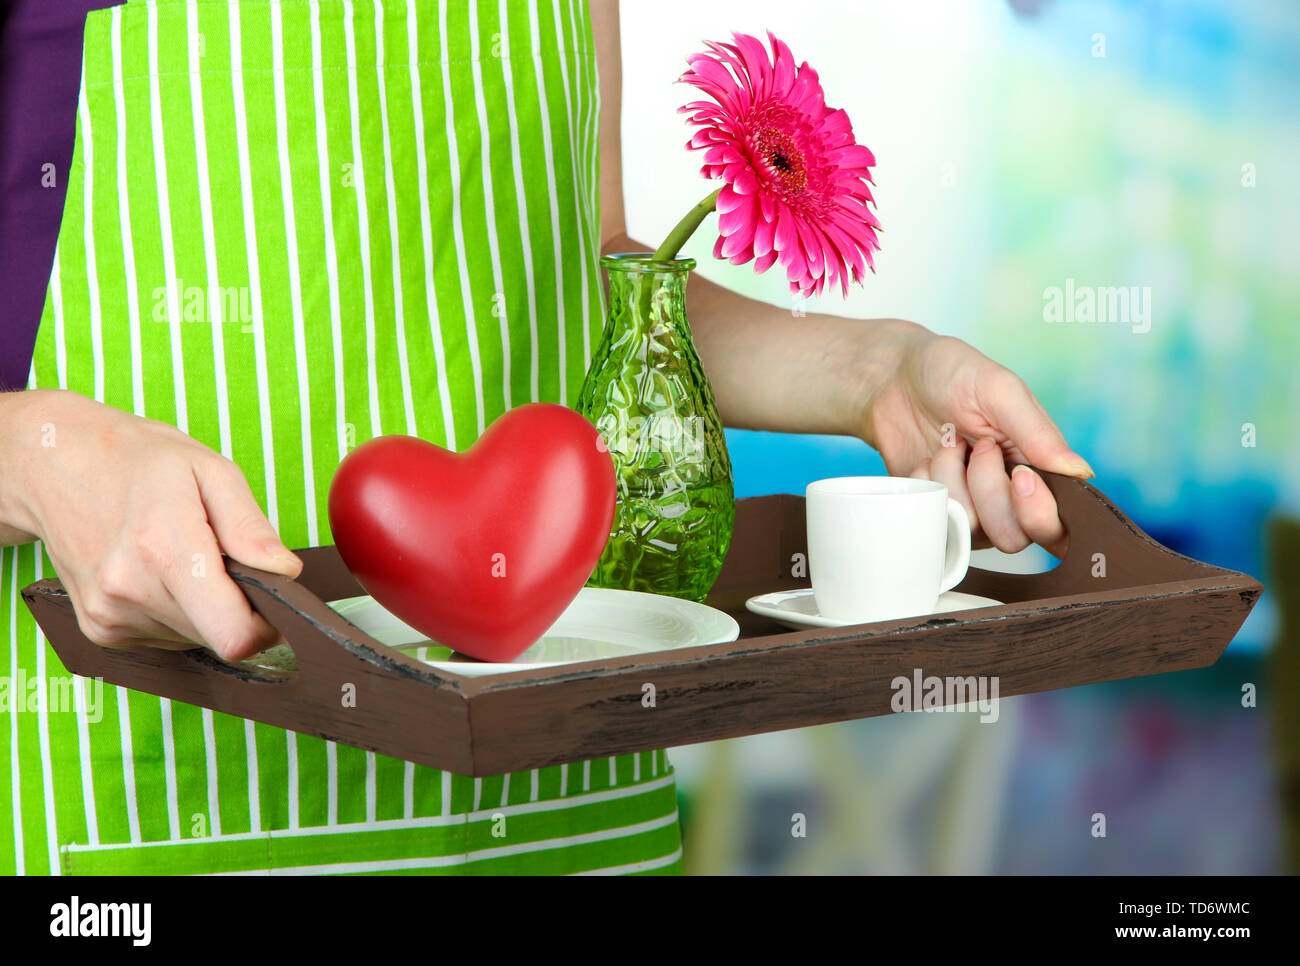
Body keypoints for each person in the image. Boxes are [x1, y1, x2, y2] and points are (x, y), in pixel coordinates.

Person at [0, 0, 1088, 875]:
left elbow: (589, 281)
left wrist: (876, 373)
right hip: (155, 790)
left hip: (557, 797)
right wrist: (45, 457)